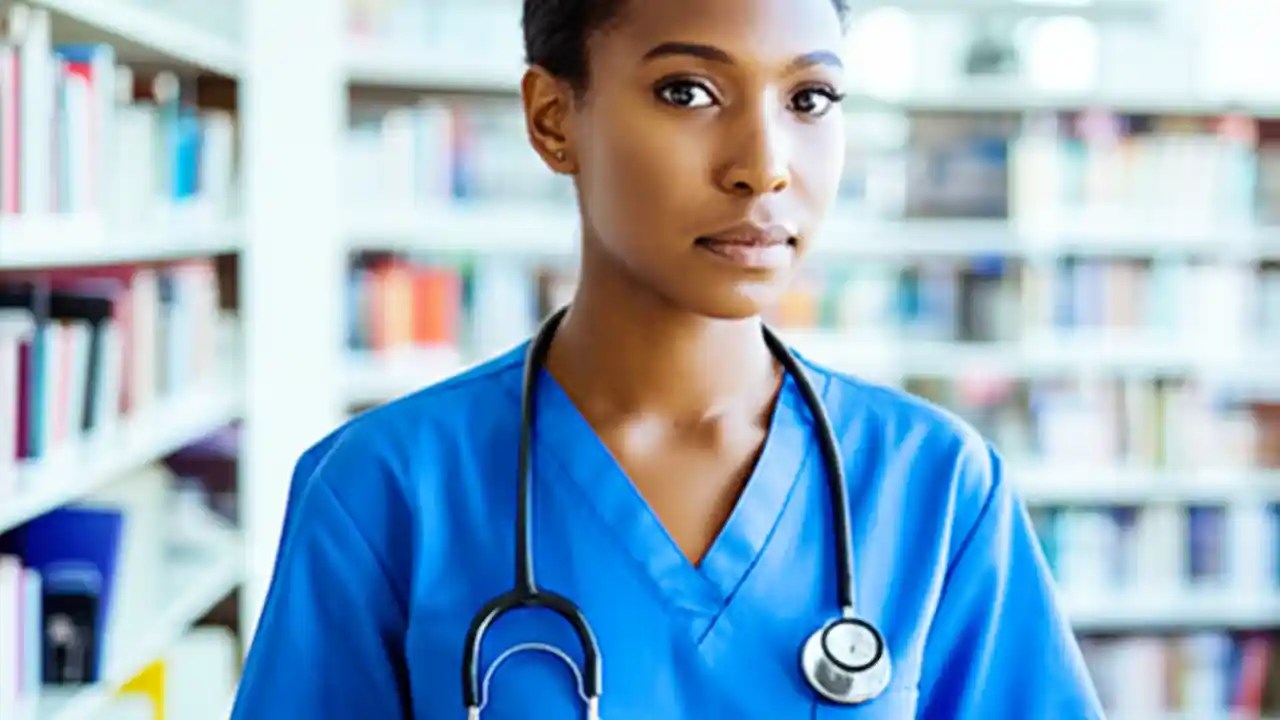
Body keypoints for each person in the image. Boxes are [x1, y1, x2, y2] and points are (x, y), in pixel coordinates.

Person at [231, 0, 1106, 717]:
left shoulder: (937, 487)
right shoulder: (386, 490)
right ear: (551, 119)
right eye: (687, 92)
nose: (763, 167)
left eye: (809, 100)